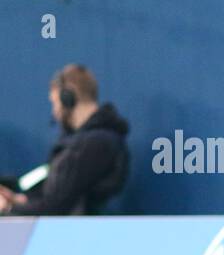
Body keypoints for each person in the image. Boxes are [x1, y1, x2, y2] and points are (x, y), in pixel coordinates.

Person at [0, 65, 129, 217]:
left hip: (75, 236)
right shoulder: (81, 143)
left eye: (55, 103)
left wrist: (8, 209)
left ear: (68, 98)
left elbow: (55, 207)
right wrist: (19, 199)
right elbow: (52, 194)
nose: (54, 112)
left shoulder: (95, 144)